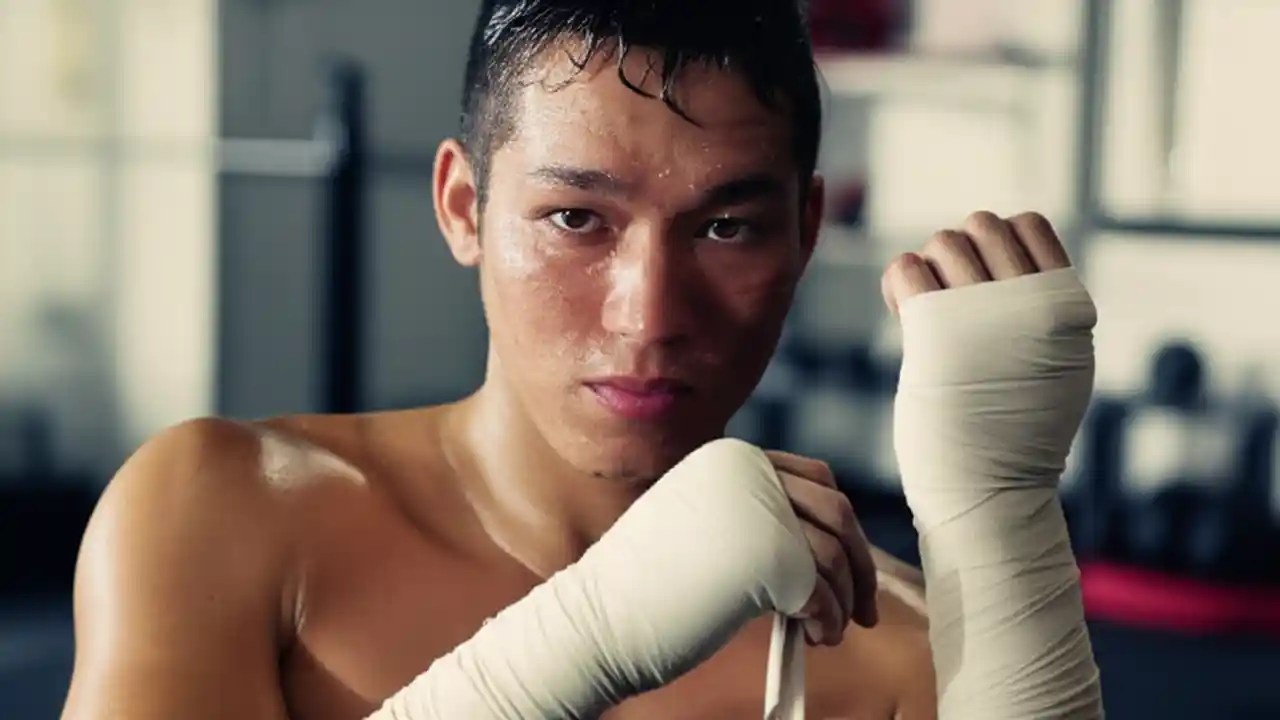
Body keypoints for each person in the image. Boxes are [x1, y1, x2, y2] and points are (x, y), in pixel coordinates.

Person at [62, 1, 1102, 718]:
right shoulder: (223, 515)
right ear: (463, 207)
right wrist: (586, 638)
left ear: (805, 231)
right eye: (574, 218)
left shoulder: (895, 649)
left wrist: (999, 522)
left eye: (724, 229)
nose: (646, 313)